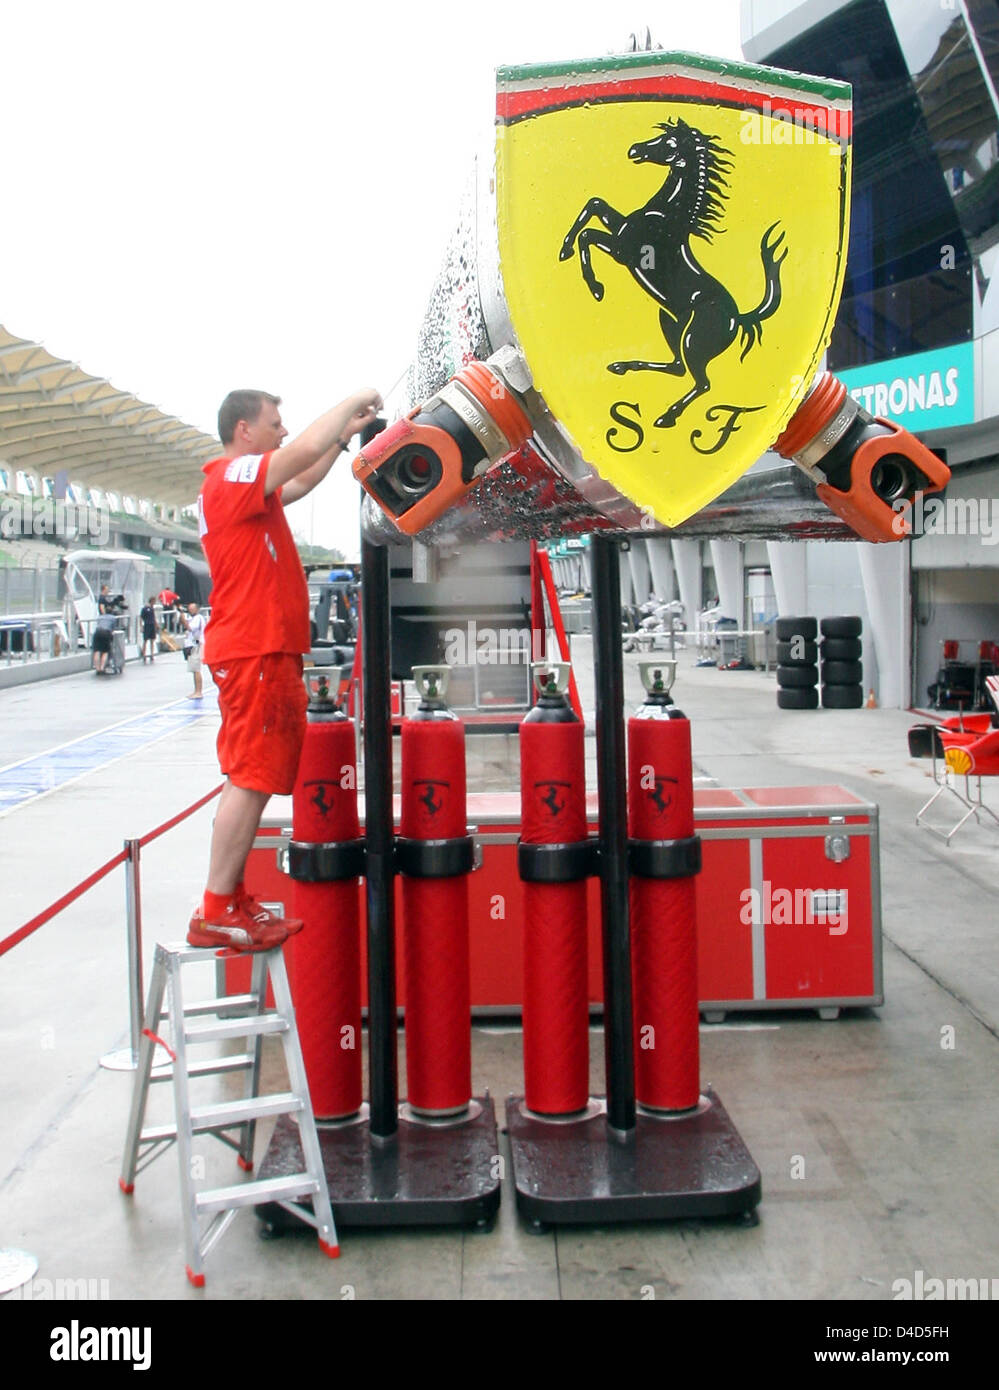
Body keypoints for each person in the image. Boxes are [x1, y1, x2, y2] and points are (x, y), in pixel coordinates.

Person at [188, 385, 381, 953]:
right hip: (254, 650)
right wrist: (350, 403)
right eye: (275, 422)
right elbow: (294, 460)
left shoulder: (249, 490)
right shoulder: (231, 476)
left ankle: (230, 897)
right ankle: (216, 907)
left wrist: (343, 441)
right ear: (244, 431)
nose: (283, 430)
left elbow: (300, 478)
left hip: (261, 650)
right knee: (249, 779)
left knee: (254, 776)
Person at [180, 602, 206, 697]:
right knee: (193, 669)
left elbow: (190, 628)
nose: (190, 610)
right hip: (191, 644)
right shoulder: (192, 618)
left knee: (196, 669)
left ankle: (198, 691)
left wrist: (183, 619)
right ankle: (196, 690)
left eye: (192, 609)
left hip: (196, 645)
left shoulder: (198, 618)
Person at [140, 596, 158, 664]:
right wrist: (141, 626)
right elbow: (141, 617)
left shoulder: (152, 609)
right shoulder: (145, 609)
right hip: (147, 625)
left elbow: (154, 617)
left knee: (152, 640)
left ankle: (152, 654)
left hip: (152, 625)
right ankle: (144, 654)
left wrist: (156, 624)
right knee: (145, 640)